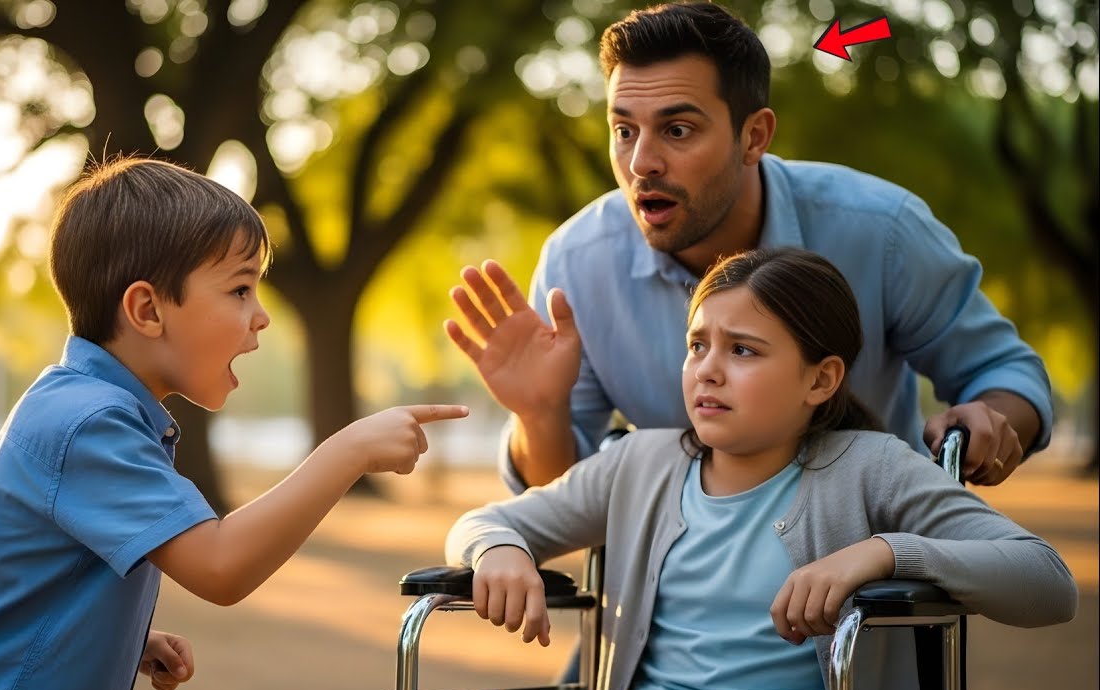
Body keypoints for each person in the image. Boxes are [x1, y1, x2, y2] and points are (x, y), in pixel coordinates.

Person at [0, 158, 468, 690]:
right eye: (239, 290)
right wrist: (349, 450)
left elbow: (29, 585)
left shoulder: (91, 408)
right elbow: (222, 566)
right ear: (147, 311)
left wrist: (108, 637)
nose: (261, 315)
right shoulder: (88, 422)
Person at [445, 2, 1052, 494]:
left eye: (677, 130)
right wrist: (540, 414)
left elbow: (1007, 374)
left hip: (853, 609)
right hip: (661, 617)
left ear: (754, 136)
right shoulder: (576, 263)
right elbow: (563, 499)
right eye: (623, 130)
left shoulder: (881, 229)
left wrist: (991, 422)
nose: (641, 162)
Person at [445, 247, 1077, 690]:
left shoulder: (870, 468)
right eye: (698, 345)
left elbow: (1048, 582)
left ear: (821, 380)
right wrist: (499, 550)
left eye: (743, 351)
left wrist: (883, 552)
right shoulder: (639, 464)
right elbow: (483, 523)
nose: (708, 371)